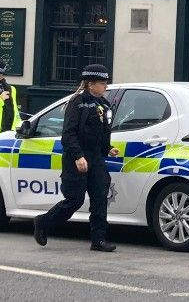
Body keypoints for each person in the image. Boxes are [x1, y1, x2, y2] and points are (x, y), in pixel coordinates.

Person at [33, 64, 120, 252]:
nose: (106, 86)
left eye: (106, 82)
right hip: (76, 159)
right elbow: (68, 134)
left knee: (99, 198)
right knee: (75, 200)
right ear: (90, 84)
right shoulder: (77, 103)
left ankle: (99, 240)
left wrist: (108, 148)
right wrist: (78, 156)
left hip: (96, 159)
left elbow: (102, 133)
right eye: (102, 83)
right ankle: (43, 222)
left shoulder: (104, 105)